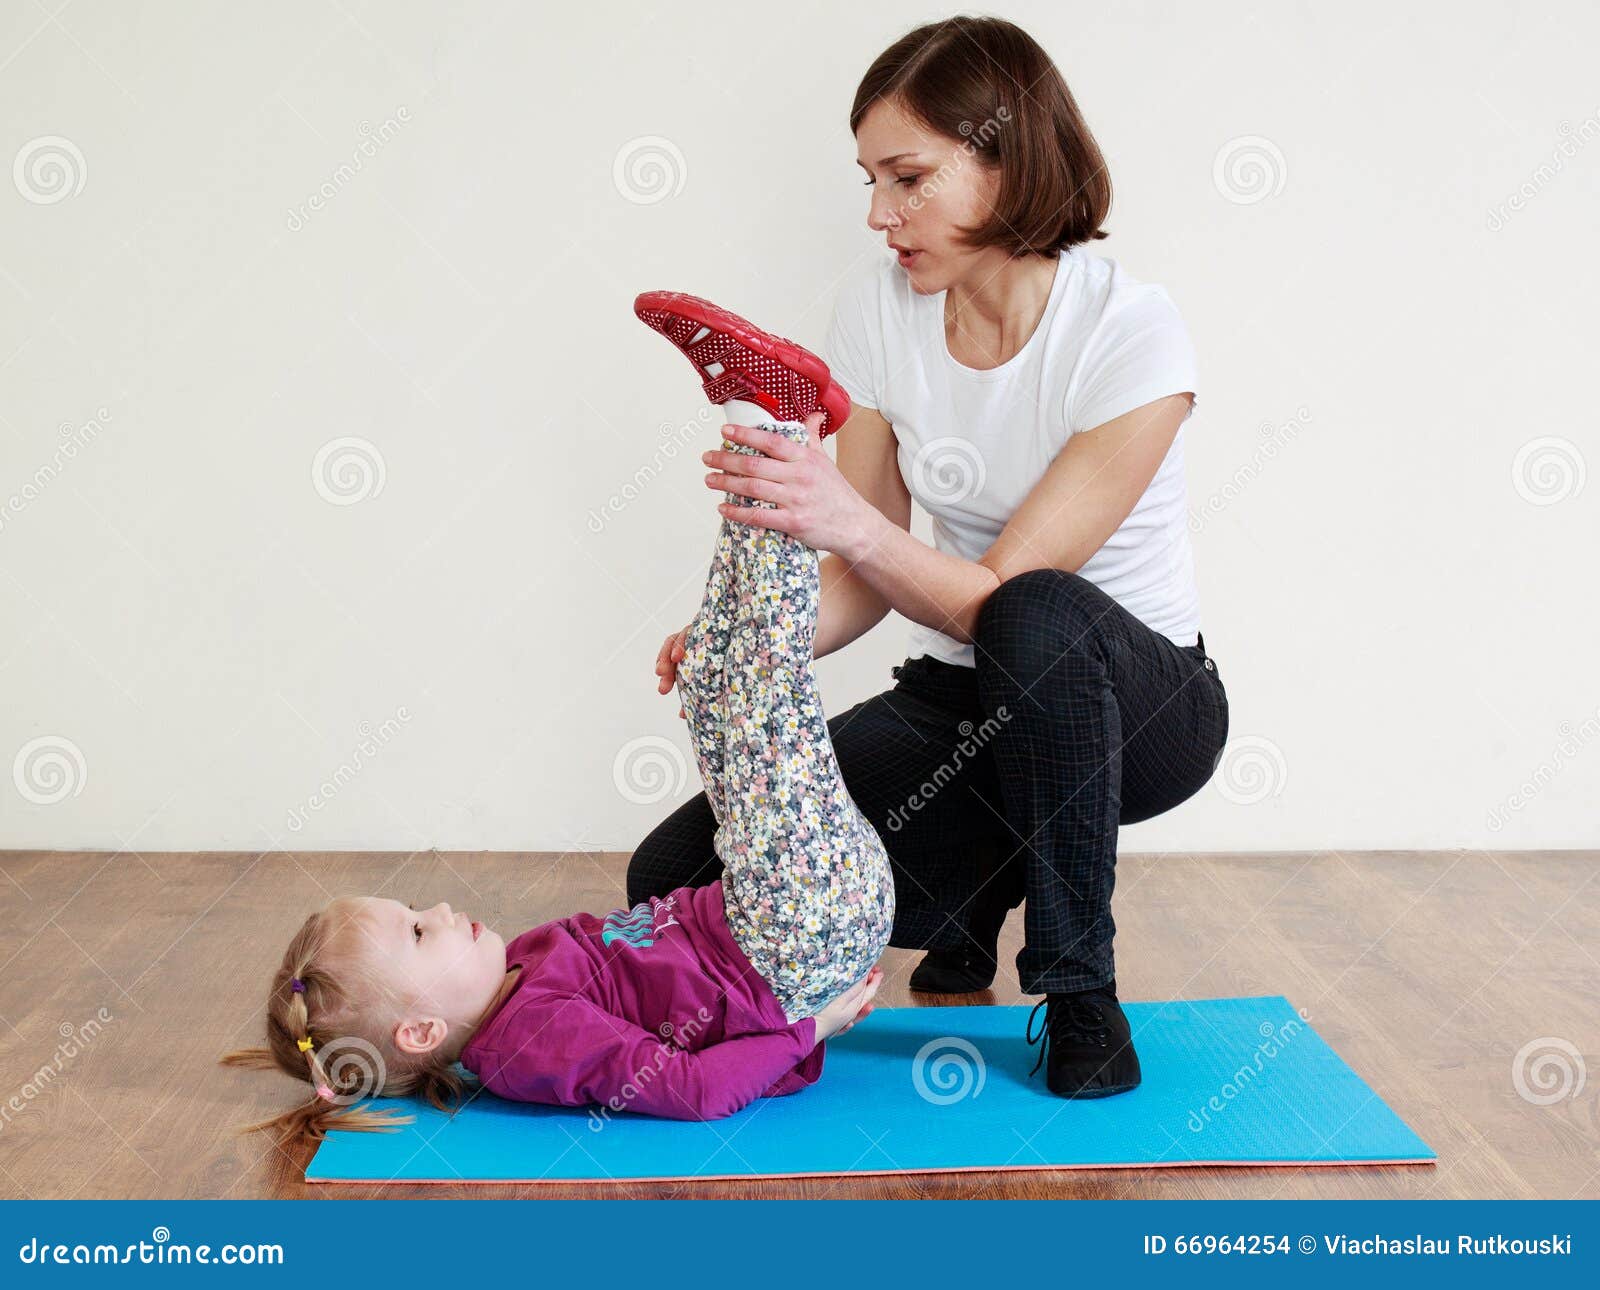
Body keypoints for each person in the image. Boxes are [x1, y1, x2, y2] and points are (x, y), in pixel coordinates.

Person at [630, 15, 1230, 1099]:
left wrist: (844, 522)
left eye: (908, 177)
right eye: (870, 179)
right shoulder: (874, 312)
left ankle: (1077, 994)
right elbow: (863, 572)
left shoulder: (1132, 333)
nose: (878, 215)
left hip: (1138, 713)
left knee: (1035, 616)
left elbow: (994, 599)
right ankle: (975, 883)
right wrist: (746, 643)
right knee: (673, 877)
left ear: (1010, 159)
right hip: (970, 709)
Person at [219, 403, 890, 1134]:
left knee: (710, 673)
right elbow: (695, 1091)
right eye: (418, 933)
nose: (439, 911)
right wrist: (812, 1029)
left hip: (766, 915)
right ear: (419, 1032)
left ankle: (763, 423)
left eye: (415, 913)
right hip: (792, 945)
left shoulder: (519, 966)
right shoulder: (529, 1044)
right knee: (762, 687)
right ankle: (780, 430)